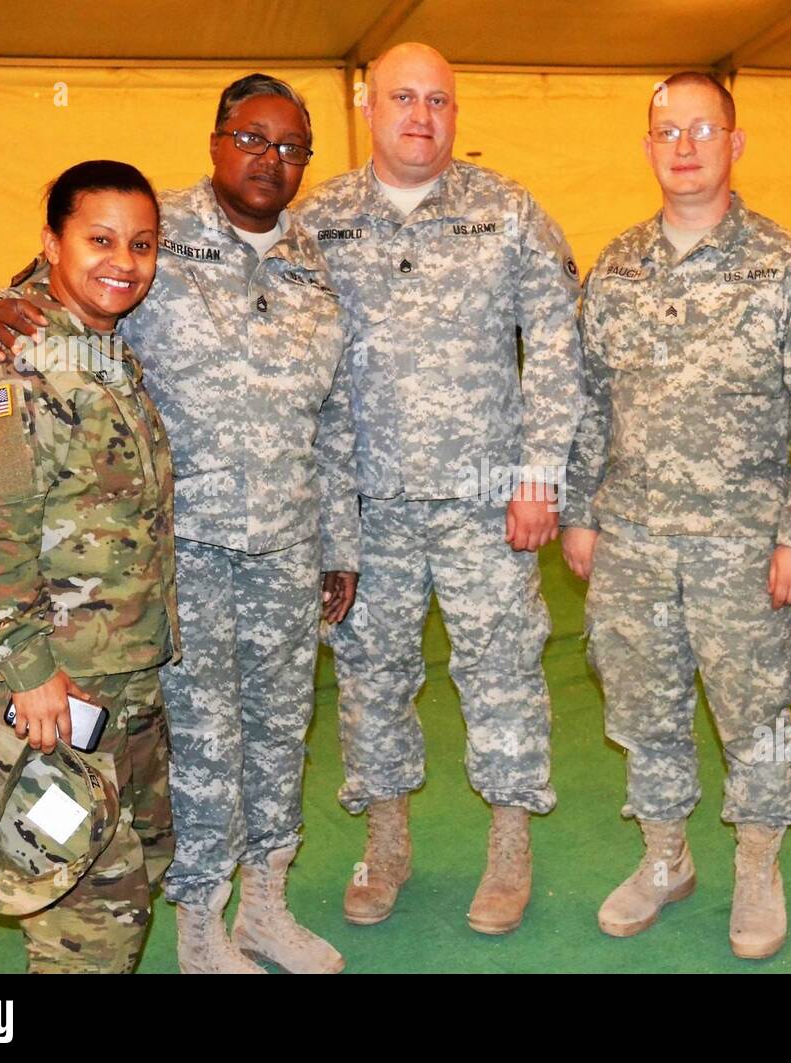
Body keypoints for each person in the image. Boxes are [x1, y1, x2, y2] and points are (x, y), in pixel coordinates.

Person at [0, 74, 358, 974]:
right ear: (215, 140)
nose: (271, 159)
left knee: (280, 732)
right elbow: (25, 314)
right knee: (199, 748)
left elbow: (334, 417)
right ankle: (203, 924)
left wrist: (340, 541)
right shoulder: (150, 230)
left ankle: (266, 906)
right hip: (177, 559)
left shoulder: (316, 258)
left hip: (286, 548)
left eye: (292, 147)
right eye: (253, 138)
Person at [293, 43, 584, 935]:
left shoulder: (507, 212)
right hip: (366, 505)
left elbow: (559, 345)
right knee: (372, 674)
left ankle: (508, 848)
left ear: (457, 113)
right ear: (368, 104)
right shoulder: (320, 220)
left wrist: (539, 474)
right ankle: (386, 845)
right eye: (403, 98)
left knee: (501, 672)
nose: (422, 116)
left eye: (439, 101)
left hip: (487, 500)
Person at [559, 73, 791, 957]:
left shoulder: (785, 269)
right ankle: (666, 857)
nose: (684, 147)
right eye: (667, 132)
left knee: (754, 712)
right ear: (648, 149)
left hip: (745, 544)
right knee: (644, 709)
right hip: (633, 538)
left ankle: (758, 866)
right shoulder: (615, 267)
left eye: (703, 129)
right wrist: (578, 511)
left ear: (735, 143)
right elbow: (586, 402)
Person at [0, 160, 176, 973]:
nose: (124, 261)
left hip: (118, 677)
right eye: (99, 239)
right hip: (47, 689)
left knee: (135, 874)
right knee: (88, 921)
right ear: (51, 242)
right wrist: (28, 669)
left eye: (142, 244)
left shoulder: (104, 350)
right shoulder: (3, 364)